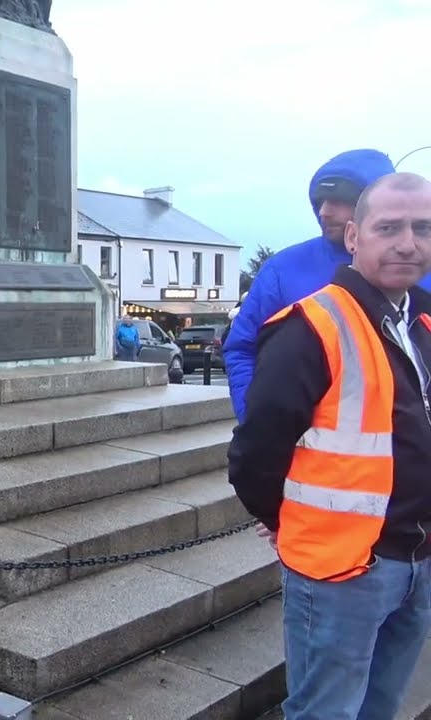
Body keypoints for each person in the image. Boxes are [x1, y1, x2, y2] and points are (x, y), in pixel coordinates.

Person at [228, 172, 431, 720]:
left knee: (380, 706)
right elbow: (255, 452)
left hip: (417, 559)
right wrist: (287, 520)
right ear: (354, 238)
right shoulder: (311, 327)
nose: (408, 242)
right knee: (325, 711)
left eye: (423, 228)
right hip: (343, 571)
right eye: (389, 227)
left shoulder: (421, 326)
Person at [223, 148, 431, 422]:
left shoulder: (418, 269)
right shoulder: (283, 269)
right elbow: (242, 348)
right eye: (319, 201)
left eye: (339, 201)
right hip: (311, 455)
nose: (325, 211)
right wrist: (255, 417)